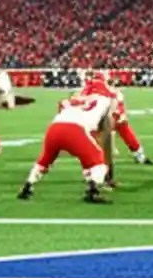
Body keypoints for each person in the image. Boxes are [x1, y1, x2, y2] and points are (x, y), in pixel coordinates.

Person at [18, 76, 117, 204]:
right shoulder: (105, 99)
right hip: (76, 131)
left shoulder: (74, 98)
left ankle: (27, 186)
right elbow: (107, 124)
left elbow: (62, 107)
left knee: (45, 160)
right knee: (98, 161)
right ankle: (93, 191)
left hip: (54, 128)